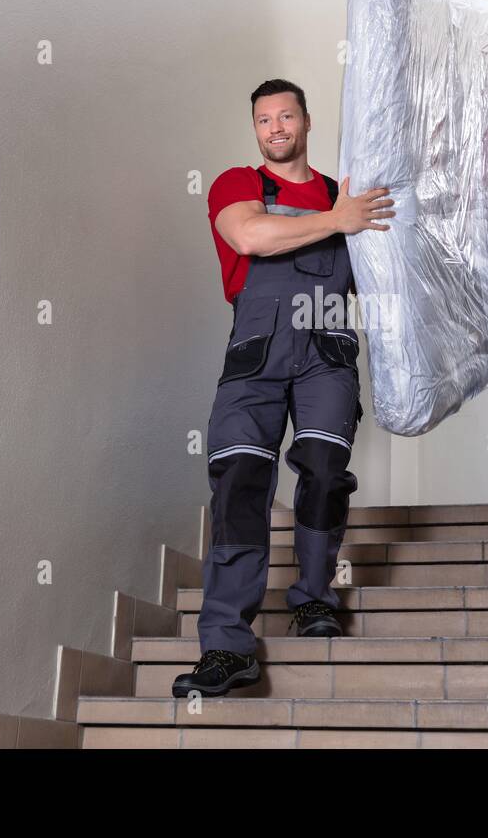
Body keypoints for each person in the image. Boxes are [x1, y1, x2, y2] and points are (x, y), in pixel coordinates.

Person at [173, 79, 394, 697]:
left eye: (286, 116)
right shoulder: (239, 184)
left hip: (326, 349)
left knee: (324, 471)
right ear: (256, 129)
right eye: (264, 119)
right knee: (239, 481)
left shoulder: (339, 192)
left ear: (305, 120)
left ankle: (314, 599)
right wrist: (336, 221)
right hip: (257, 353)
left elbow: (387, 277)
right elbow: (249, 236)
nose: (275, 128)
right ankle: (226, 644)